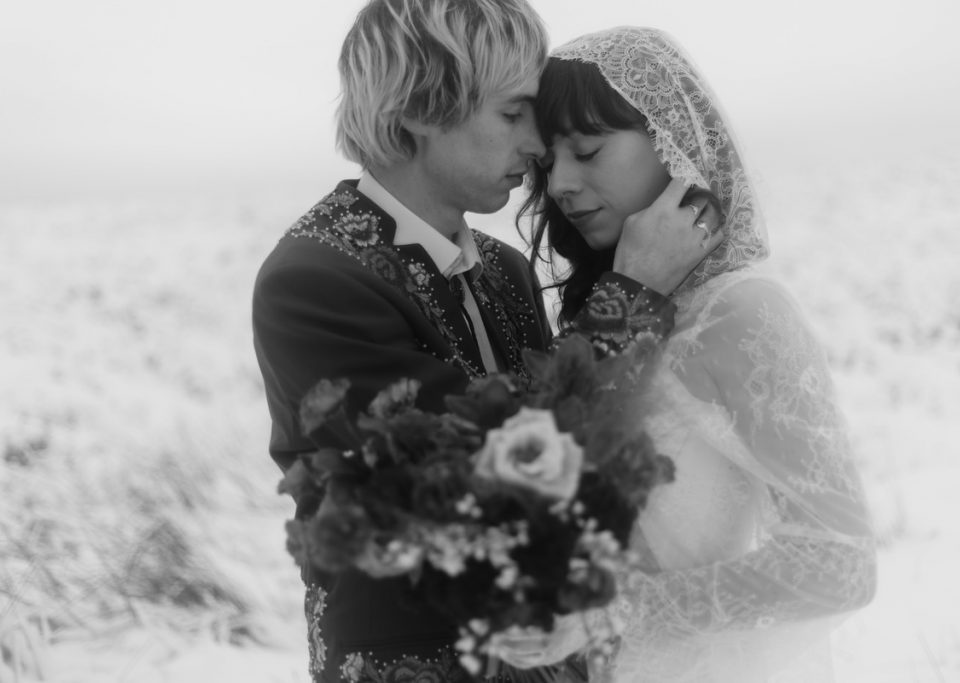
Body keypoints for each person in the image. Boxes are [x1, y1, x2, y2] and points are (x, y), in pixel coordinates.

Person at [251, 4, 721, 682]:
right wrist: (633, 294)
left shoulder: (506, 269)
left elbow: (580, 476)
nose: (537, 142)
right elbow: (492, 475)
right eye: (511, 113)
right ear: (418, 108)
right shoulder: (313, 280)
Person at [502, 26, 878, 682]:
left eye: (586, 150)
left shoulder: (743, 310)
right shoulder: (615, 307)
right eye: (549, 159)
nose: (560, 182)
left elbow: (842, 562)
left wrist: (609, 613)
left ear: (669, 137)